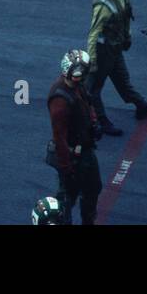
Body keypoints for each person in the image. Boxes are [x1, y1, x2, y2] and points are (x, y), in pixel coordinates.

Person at [85, 0, 147, 135]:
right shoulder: (102, 6)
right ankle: (101, 121)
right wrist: (92, 61)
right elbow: (93, 34)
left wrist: (127, 37)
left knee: (123, 80)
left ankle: (141, 105)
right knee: (93, 89)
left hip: (115, 47)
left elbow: (126, 16)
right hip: (102, 51)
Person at [46, 49, 102, 225]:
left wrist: (94, 122)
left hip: (85, 149)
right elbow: (59, 137)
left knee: (93, 187)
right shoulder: (60, 101)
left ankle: (88, 220)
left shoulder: (77, 85)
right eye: (78, 74)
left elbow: (88, 102)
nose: (81, 78)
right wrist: (66, 167)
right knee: (67, 198)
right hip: (72, 156)